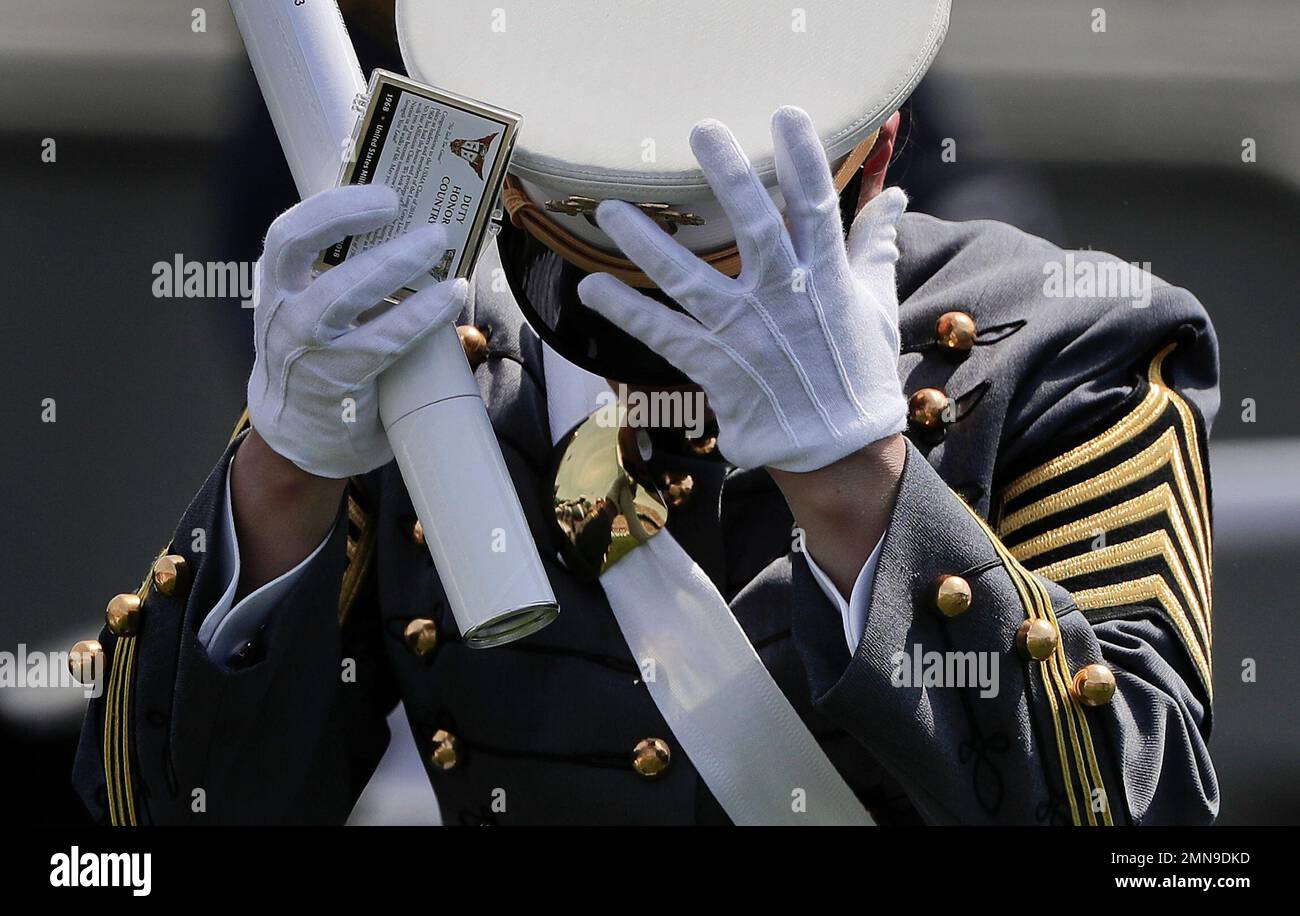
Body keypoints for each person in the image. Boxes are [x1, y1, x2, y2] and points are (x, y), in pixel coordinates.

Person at [72, 0, 1217, 825]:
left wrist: (865, 490)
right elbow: (150, 829)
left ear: (876, 155)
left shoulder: (1069, 345)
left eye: (701, 223)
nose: (661, 270)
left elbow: (1144, 829)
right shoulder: (431, 362)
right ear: (506, 186)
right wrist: (284, 468)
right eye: (601, 224)